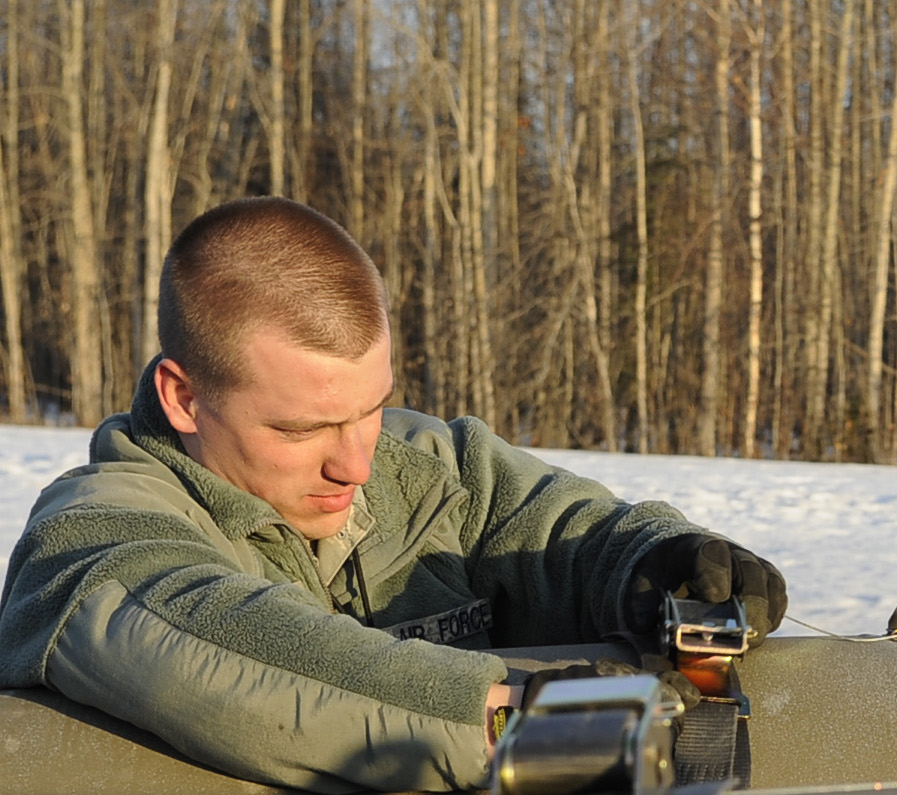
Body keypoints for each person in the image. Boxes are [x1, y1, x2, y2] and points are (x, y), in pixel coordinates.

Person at [0, 197, 786, 792]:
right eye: (303, 428)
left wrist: (658, 562)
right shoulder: (92, 544)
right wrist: (524, 721)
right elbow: (223, 645)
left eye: (370, 409)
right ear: (183, 398)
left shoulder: (435, 469)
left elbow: (556, 528)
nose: (357, 464)